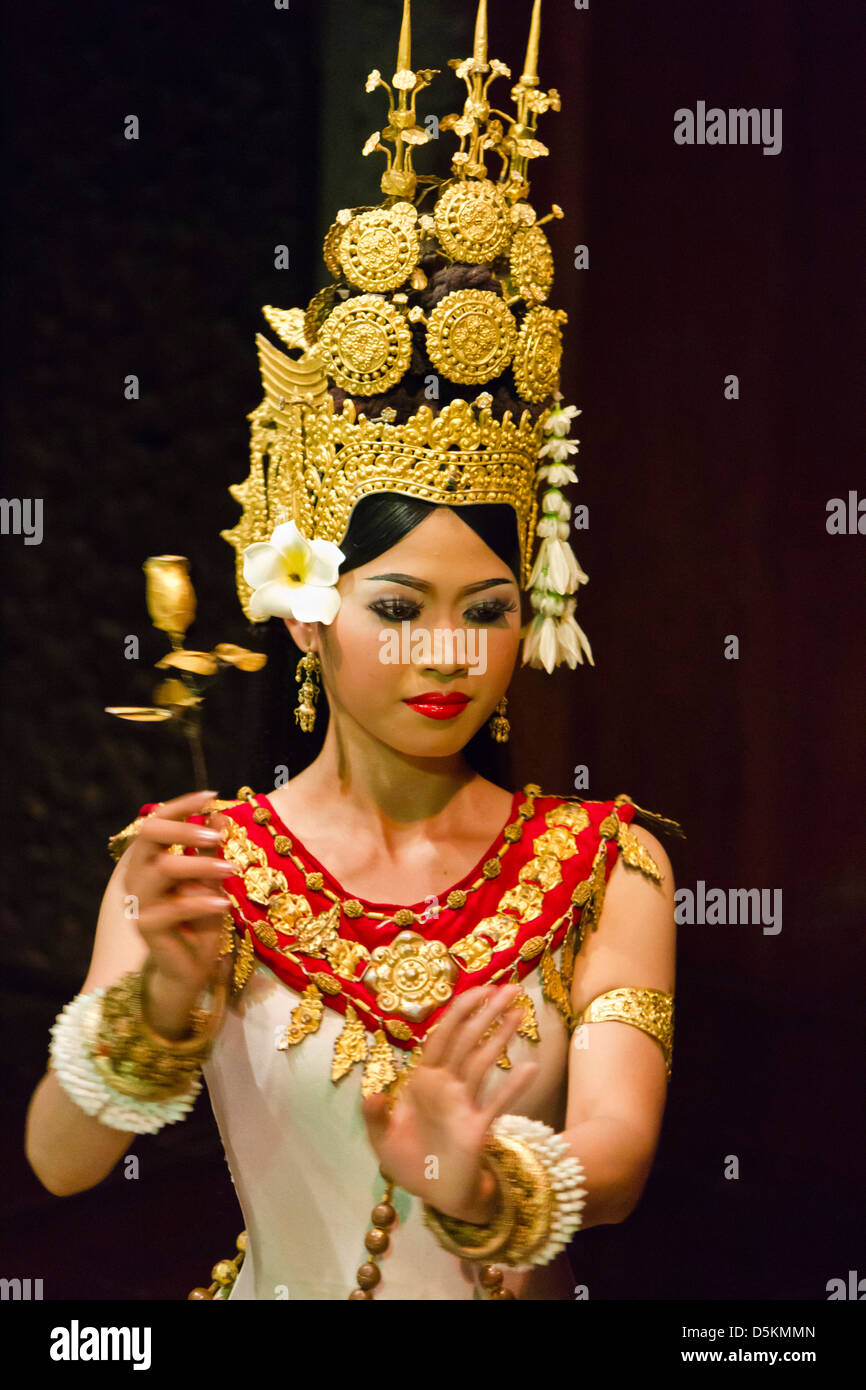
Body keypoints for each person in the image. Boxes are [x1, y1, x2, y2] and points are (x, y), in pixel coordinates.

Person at [24, 0, 681, 1301]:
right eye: (396, 606)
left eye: (486, 606)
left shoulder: (608, 867)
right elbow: (58, 1162)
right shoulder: (203, 871)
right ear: (312, 607)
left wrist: (477, 1176)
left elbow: (614, 1152)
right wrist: (156, 1010)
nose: (447, 650)